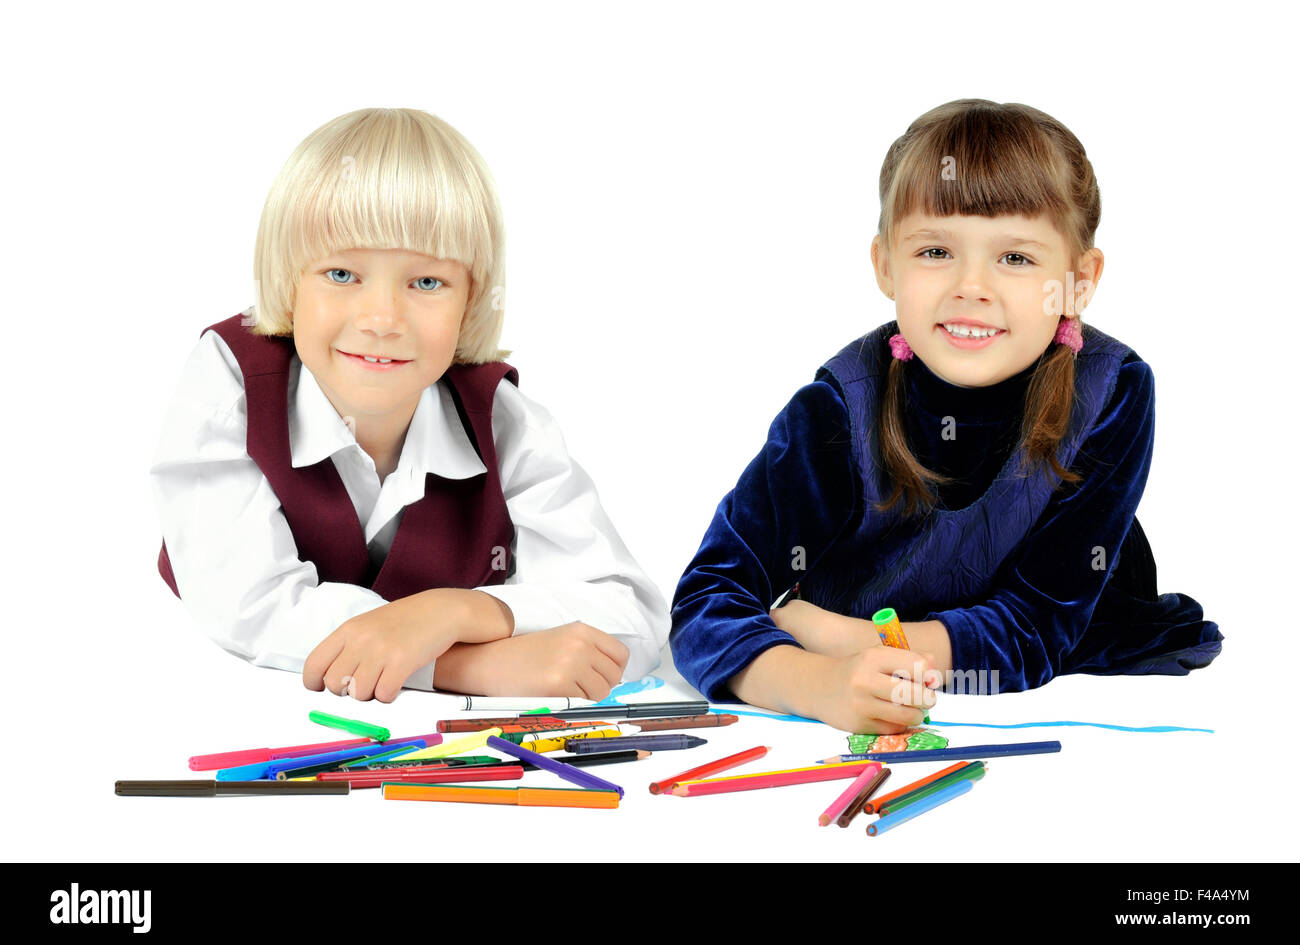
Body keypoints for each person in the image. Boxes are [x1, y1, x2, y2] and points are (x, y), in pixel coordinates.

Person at [669, 99, 1222, 734]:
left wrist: (849, 643)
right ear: (885, 265)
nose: (971, 287)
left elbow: (1037, 626)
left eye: (1016, 258)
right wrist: (812, 685)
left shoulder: (1112, 389)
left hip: (1045, 622)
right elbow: (707, 600)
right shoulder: (838, 405)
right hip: (876, 612)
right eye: (934, 251)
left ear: (1078, 280)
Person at [151, 107, 668, 704]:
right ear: (287, 282)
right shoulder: (231, 380)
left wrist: (454, 613)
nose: (380, 321)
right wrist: (470, 667)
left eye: (426, 283)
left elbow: (630, 612)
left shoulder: (499, 417)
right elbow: (249, 604)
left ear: (471, 301)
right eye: (342, 273)